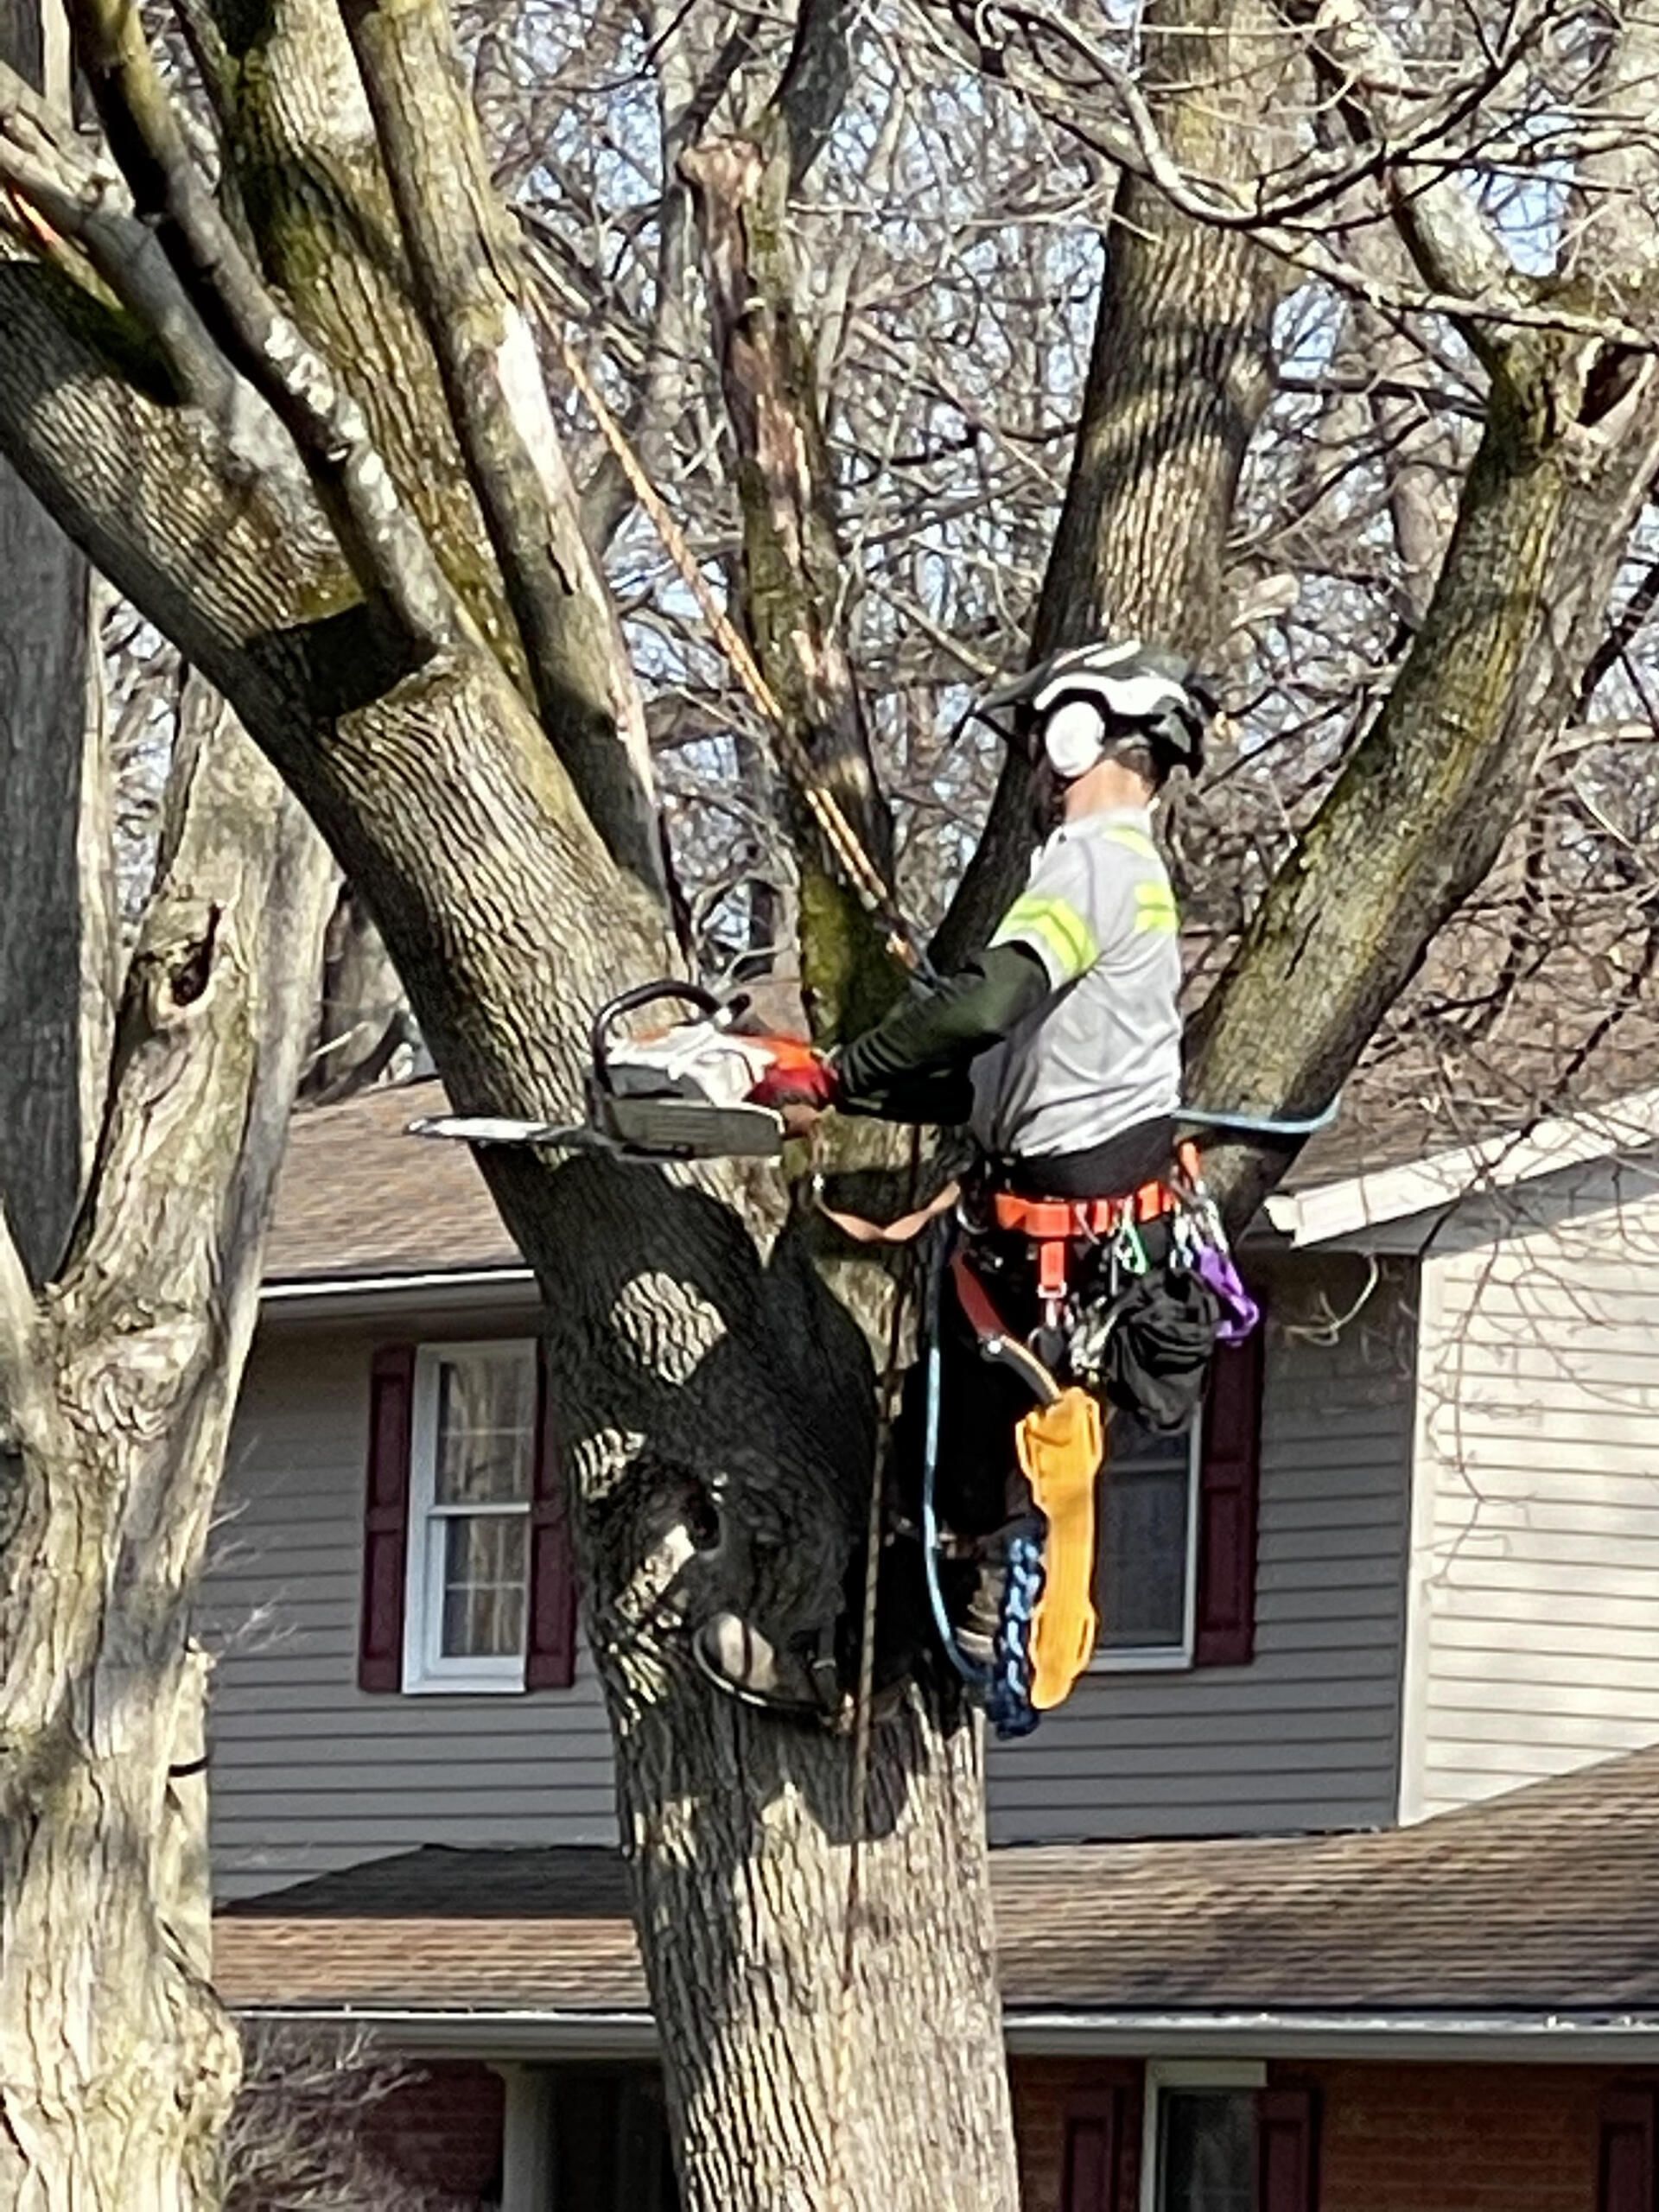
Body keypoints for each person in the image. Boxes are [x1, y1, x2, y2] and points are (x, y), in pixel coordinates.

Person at [694, 636, 1217, 1716]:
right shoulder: (1134, 879)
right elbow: (987, 1074)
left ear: (1078, 735)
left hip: (1058, 1246)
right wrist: (814, 1080)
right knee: (951, 1456)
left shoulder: (1095, 861)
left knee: (942, 1466)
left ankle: (870, 1670)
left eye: (1038, 745)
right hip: (1077, 1234)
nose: (1031, 770)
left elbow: (983, 1007)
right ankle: (902, 1664)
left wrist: (838, 1073)